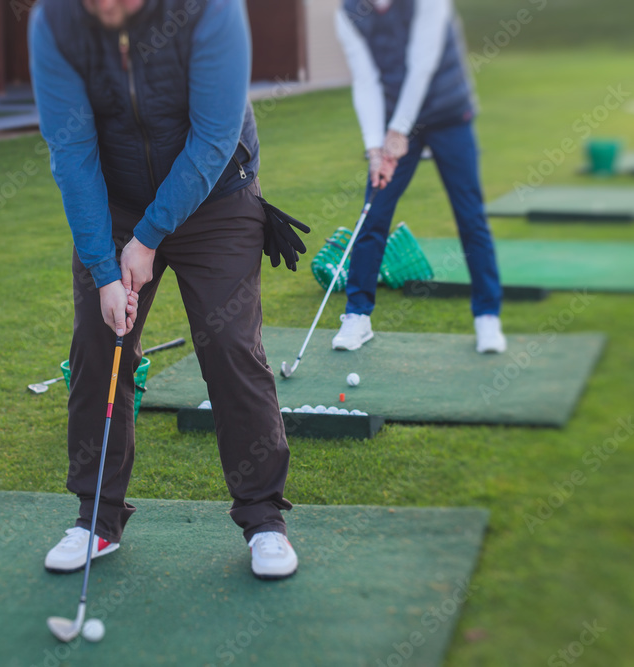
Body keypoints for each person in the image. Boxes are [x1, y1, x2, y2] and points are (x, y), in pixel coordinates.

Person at [28, 0, 304, 581]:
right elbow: (71, 151)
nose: (106, 7)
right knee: (99, 348)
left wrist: (149, 238)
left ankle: (263, 519)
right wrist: (106, 268)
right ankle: (96, 519)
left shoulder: (210, 10)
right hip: (117, 201)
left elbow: (213, 136)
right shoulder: (55, 22)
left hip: (218, 196)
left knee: (230, 344)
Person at [332, 0, 506, 354]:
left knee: (469, 214)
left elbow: (421, 65)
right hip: (397, 118)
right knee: (375, 209)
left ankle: (487, 316)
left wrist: (397, 132)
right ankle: (357, 315)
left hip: (448, 115)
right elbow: (366, 81)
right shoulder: (348, 12)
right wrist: (374, 149)